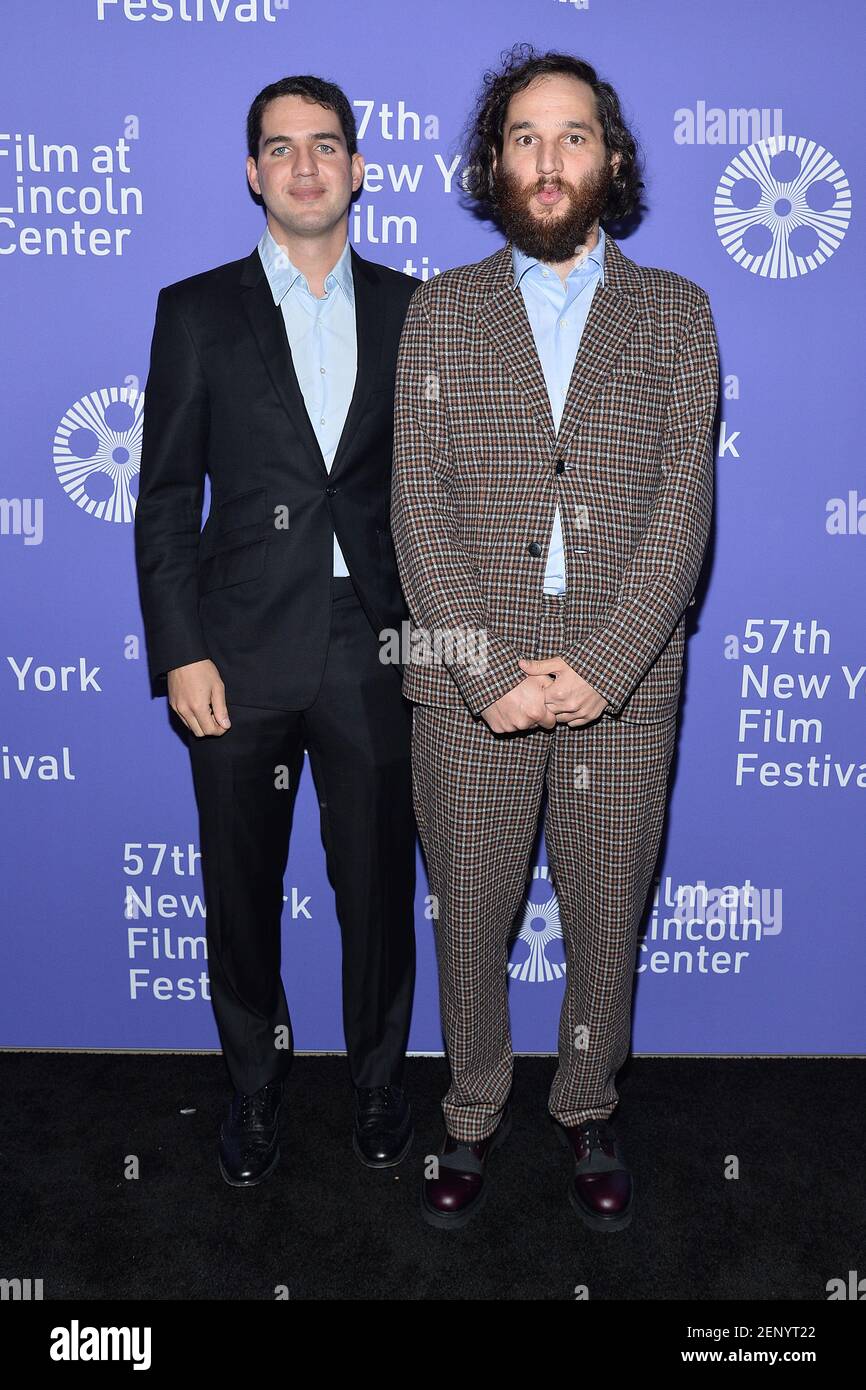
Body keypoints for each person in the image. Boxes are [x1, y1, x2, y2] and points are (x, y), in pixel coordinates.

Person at [391, 46, 719, 1231]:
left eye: (570, 135)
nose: (547, 158)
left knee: (603, 914)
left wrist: (602, 664)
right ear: (493, 162)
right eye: (523, 136)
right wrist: (485, 674)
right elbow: (414, 502)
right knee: (468, 917)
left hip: (620, 687)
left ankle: (586, 1102)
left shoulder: (676, 313)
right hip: (466, 686)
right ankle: (470, 1113)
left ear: (610, 159)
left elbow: (683, 507)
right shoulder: (438, 309)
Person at [135, 75, 418, 1188]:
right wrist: (178, 646)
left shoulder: (413, 309)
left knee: (379, 888)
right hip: (236, 652)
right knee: (239, 887)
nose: (304, 166)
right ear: (254, 172)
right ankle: (254, 1095)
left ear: (356, 168)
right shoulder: (194, 311)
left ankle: (380, 1081)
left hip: (374, 646)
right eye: (280, 148)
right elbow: (163, 499)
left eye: (325, 145)